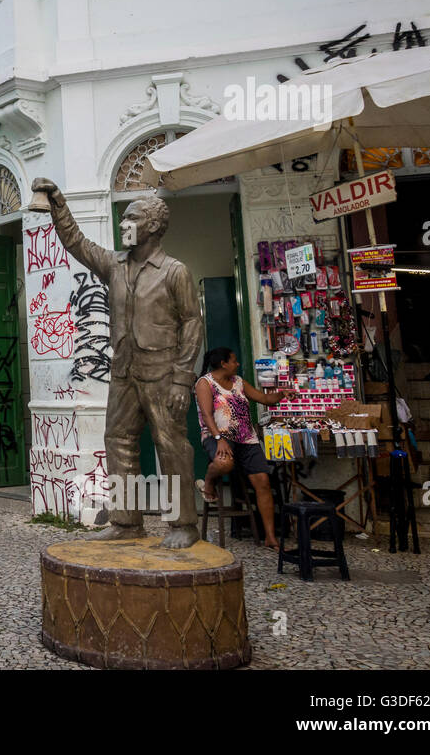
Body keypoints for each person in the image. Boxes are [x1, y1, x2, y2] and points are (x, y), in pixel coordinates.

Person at [31, 178, 204, 548]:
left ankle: (184, 524)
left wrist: (182, 379)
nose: (123, 225)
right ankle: (127, 523)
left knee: (171, 445)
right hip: (124, 370)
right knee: (119, 441)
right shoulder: (114, 265)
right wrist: (58, 203)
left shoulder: (175, 271)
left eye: (132, 218)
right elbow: (76, 242)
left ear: (154, 226)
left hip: (162, 373)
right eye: (123, 219)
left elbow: (193, 323)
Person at [194, 347, 292, 551]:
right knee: (223, 463)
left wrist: (282, 394)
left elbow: (264, 399)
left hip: (246, 439)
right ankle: (208, 482)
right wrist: (219, 438)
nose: (237, 364)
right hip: (217, 436)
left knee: (263, 482)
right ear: (223, 364)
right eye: (234, 360)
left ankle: (270, 537)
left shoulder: (238, 382)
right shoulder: (205, 383)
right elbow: (206, 415)